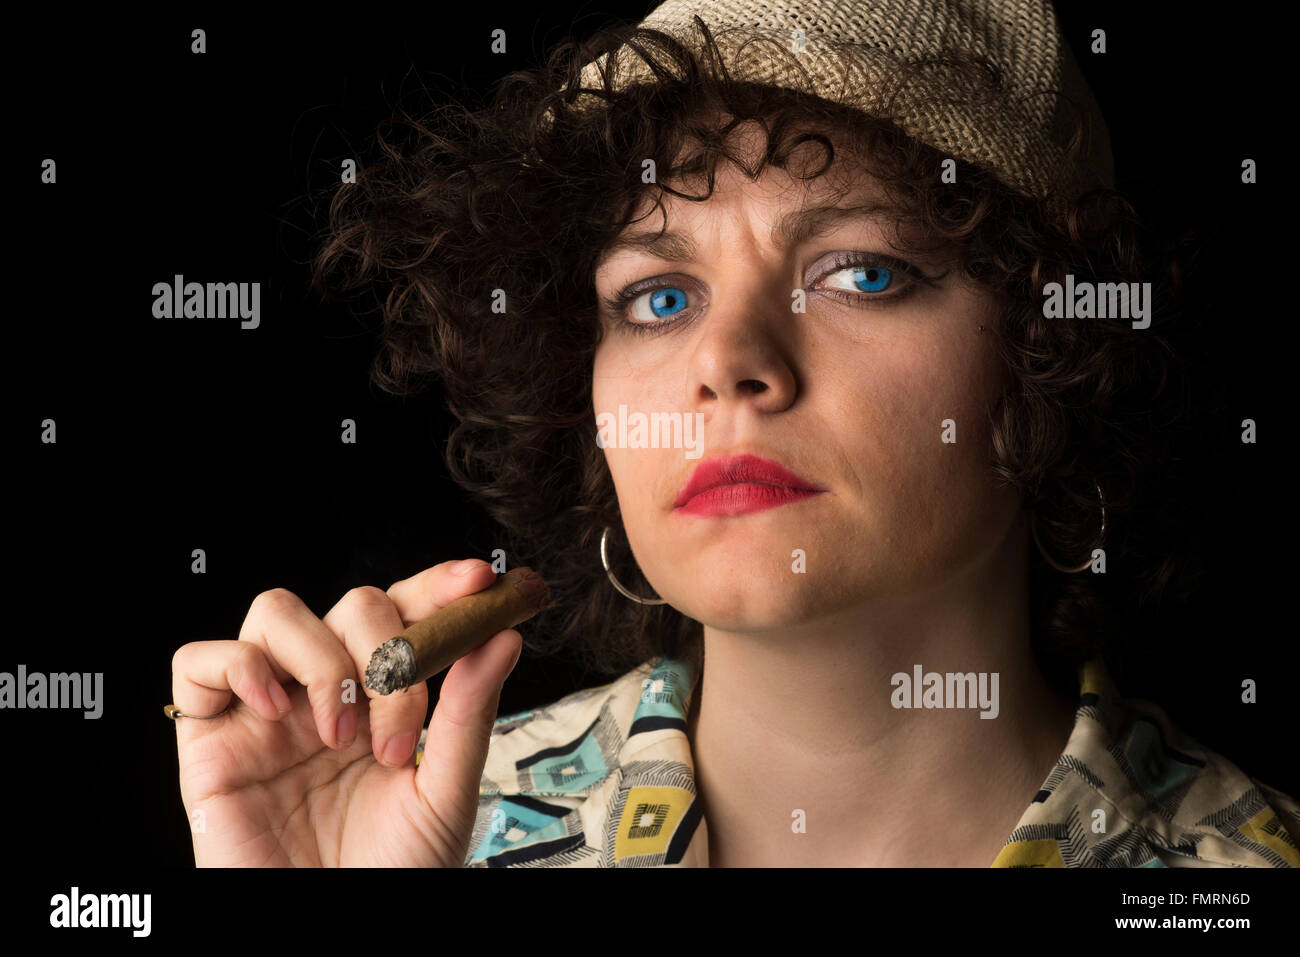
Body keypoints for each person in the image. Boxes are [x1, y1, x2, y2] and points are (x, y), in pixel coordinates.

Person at [168, 0, 1299, 867]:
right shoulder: (430, 836)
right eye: (657, 297)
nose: (726, 362)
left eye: (860, 273)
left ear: (1049, 364)